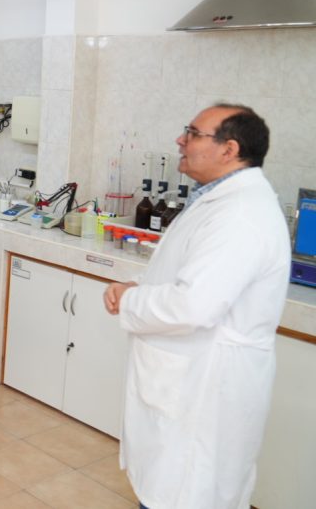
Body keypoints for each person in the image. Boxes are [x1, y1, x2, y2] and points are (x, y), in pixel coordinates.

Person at [102, 104, 290, 509]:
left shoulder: (241, 214)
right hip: (187, 384)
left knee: (185, 493)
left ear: (229, 149)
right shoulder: (218, 202)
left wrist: (132, 298)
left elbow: (193, 305)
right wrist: (135, 285)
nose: (180, 140)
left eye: (192, 132)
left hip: (206, 392)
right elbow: (188, 276)